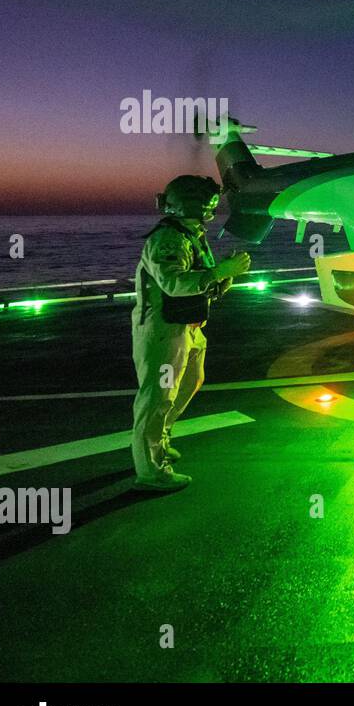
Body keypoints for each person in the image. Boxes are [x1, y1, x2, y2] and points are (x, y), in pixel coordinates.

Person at [130, 175, 250, 492]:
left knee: (190, 381)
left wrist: (224, 275)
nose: (213, 209)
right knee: (157, 397)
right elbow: (173, 283)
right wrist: (220, 271)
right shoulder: (168, 239)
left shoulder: (191, 236)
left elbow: (203, 280)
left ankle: (162, 438)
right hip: (163, 331)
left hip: (189, 327)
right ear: (193, 205)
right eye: (209, 205)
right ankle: (151, 470)